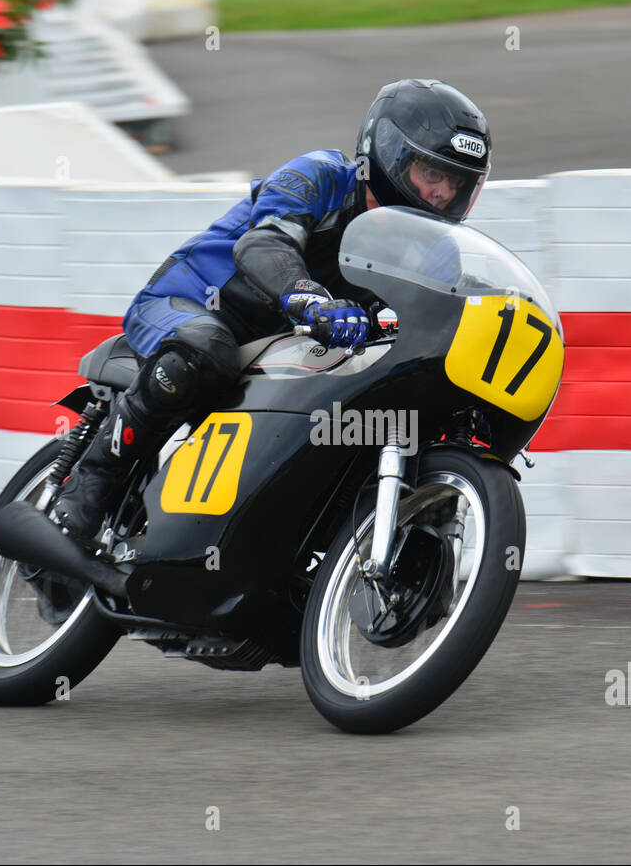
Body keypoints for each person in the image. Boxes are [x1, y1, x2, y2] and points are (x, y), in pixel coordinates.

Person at [51, 78, 492, 540]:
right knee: (206, 349)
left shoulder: (437, 251)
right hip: (190, 304)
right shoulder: (320, 175)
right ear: (388, 154)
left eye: (457, 182)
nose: (443, 193)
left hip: (286, 352)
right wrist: (311, 298)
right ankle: (89, 486)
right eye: (432, 173)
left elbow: (441, 314)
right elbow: (265, 243)